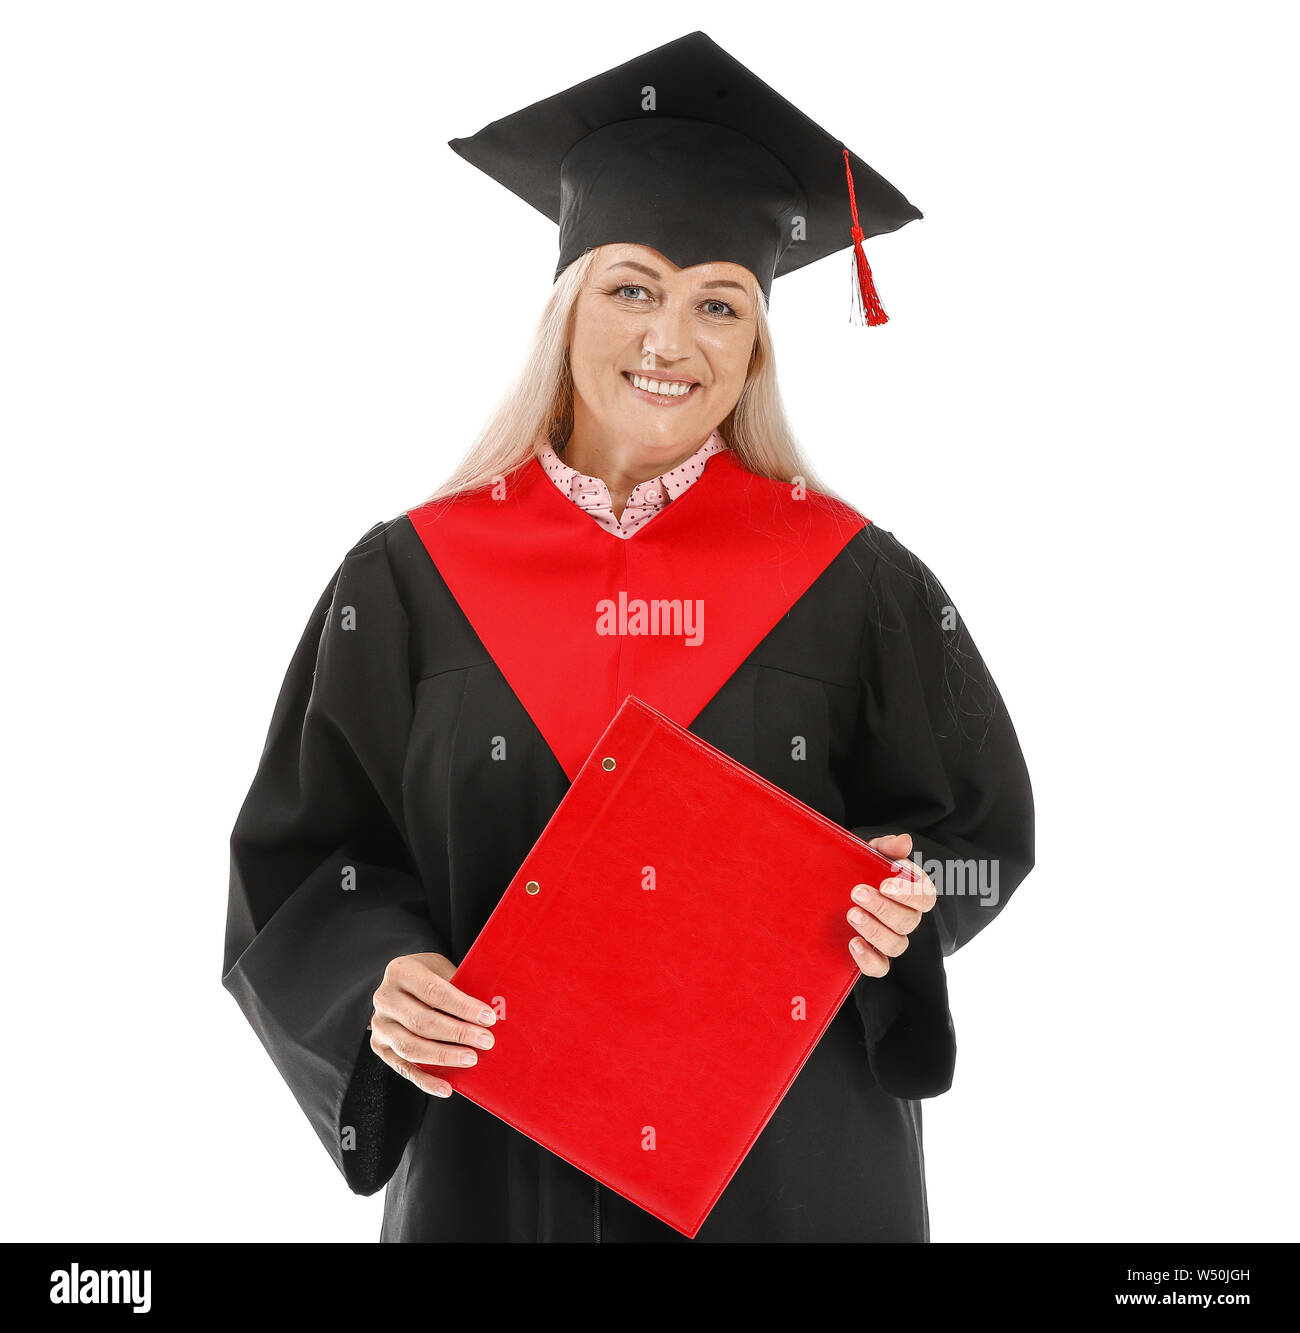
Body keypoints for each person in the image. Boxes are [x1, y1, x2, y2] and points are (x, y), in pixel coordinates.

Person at [223, 31, 1034, 1243]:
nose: (671, 340)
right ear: (566, 306)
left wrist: (905, 891)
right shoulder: (407, 578)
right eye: (632, 287)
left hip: (790, 1169)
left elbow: (978, 840)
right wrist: (378, 986)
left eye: (719, 302)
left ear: (756, 339)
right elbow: (308, 859)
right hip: (497, 1167)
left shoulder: (855, 579)